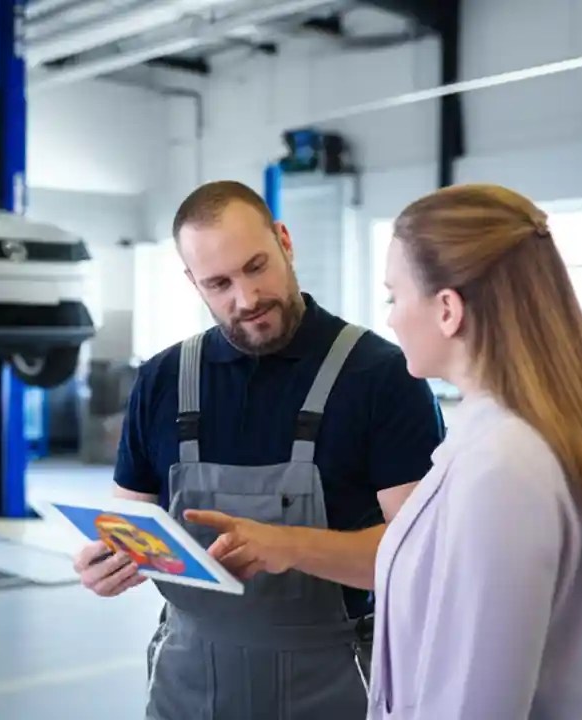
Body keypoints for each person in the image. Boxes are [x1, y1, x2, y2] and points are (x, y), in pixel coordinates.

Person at [73, 180, 446, 719]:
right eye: (219, 283)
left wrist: (288, 545)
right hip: (188, 686)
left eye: (256, 267)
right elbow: (129, 518)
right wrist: (106, 563)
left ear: (285, 242)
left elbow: (422, 561)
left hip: (333, 684)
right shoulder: (162, 380)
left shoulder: (382, 376)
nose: (246, 299)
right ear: (192, 282)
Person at [360, 183, 582, 719]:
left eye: (393, 296)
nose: (392, 318)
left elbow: (476, 703)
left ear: (447, 308)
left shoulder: (504, 465)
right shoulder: (526, 435)